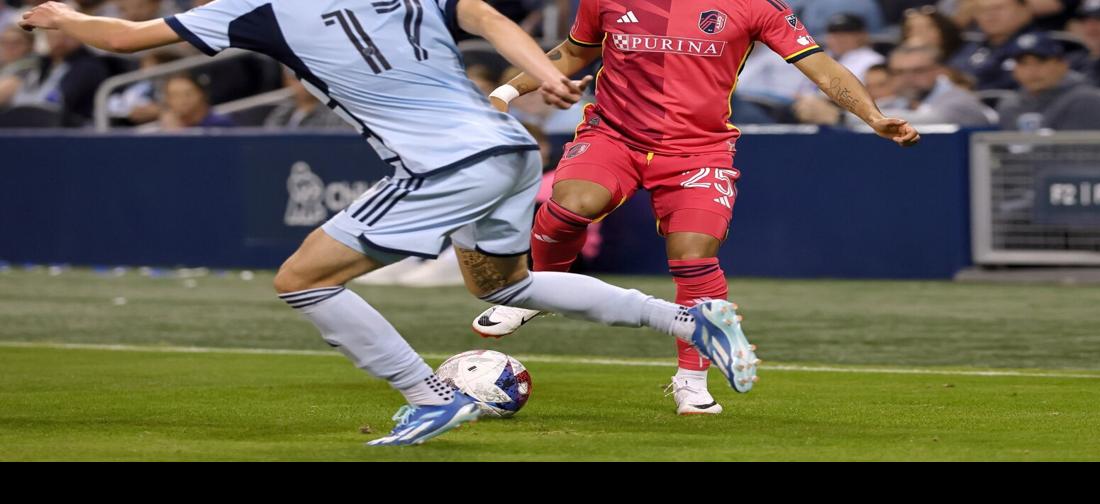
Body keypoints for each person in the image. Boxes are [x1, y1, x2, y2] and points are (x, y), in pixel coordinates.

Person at [19, 0, 760, 445]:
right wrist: (542, 72)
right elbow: (488, 15)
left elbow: (120, 39)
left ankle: (428, 399)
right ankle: (691, 323)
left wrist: (59, 17)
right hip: (510, 149)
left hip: (447, 163)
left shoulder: (255, 8)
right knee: (502, 285)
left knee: (302, 280)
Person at [474, 0, 918, 415]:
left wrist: (872, 116)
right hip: (612, 136)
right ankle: (536, 290)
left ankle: (692, 379)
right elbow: (574, 51)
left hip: (698, 151)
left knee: (693, 254)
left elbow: (820, 66)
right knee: (572, 203)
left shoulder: (754, 6)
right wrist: (507, 93)